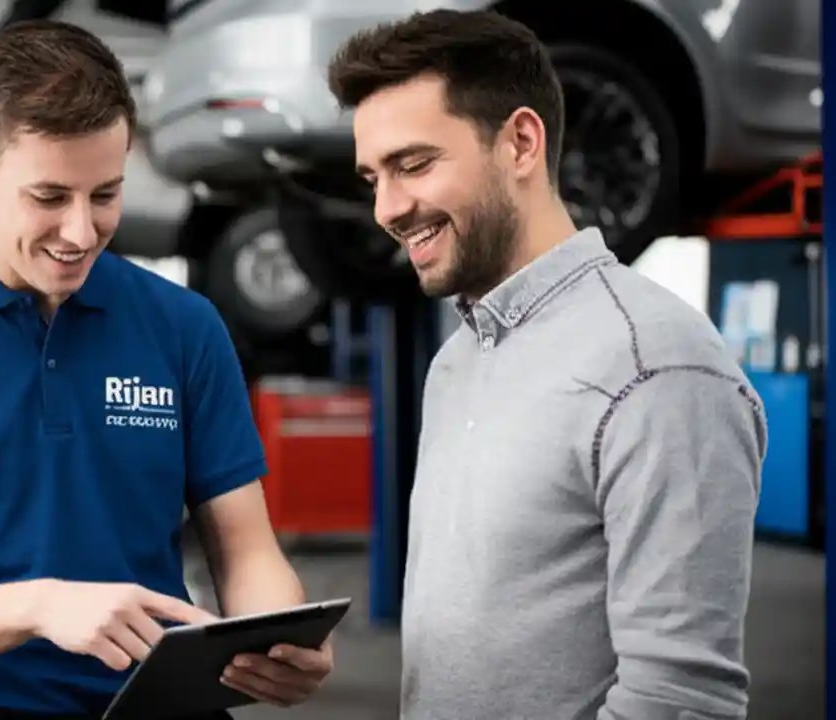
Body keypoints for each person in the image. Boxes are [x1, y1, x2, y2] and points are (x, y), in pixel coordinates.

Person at [0, 19, 332, 719]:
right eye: (50, 197)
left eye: (106, 194)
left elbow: (245, 551)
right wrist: (41, 606)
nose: (81, 232)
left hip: (162, 705)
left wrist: (278, 635)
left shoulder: (184, 328)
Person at [326, 9, 766, 720]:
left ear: (521, 144)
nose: (388, 207)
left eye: (413, 165)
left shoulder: (655, 368)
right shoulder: (458, 359)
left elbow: (680, 700)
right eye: (372, 177)